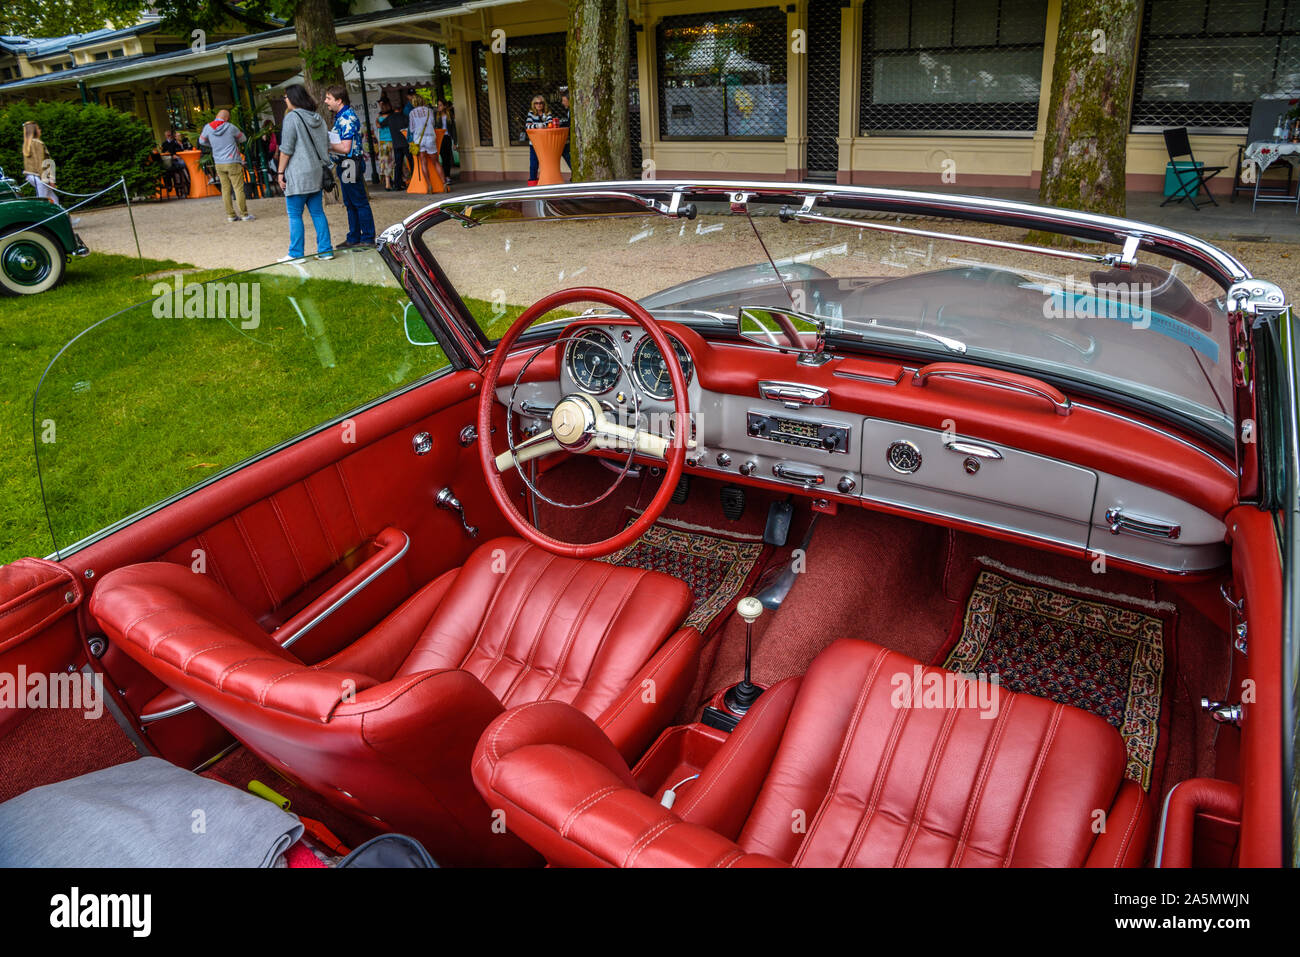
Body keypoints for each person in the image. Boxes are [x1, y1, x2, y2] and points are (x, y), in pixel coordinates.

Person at [275, 84, 334, 261]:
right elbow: (325, 144)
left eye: (285, 97)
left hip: (298, 173)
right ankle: (325, 250)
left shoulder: (292, 118)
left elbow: (286, 149)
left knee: (294, 214)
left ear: (293, 98)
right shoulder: (318, 117)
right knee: (317, 213)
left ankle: (296, 253)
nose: (285, 100)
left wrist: (280, 173)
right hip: (317, 171)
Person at [322, 84, 376, 249]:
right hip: (346, 164)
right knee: (350, 202)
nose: (326, 101)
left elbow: (345, 148)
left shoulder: (346, 118)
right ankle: (354, 237)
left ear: (339, 100)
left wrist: (326, 144)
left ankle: (367, 238)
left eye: (328, 98)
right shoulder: (342, 116)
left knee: (358, 202)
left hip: (349, 163)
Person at [198, 108, 255, 223]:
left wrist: (213, 144)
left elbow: (201, 141)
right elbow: (243, 138)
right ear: (227, 118)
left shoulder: (208, 127)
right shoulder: (230, 127)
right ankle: (244, 214)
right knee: (238, 188)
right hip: (232, 160)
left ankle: (231, 215)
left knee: (225, 189)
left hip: (218, 162)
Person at [406, 93, 445, 193]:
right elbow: (432, 123)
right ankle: (444, 183)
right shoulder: (429, 111)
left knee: (423, 162)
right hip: (430, 137)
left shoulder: (412, 113)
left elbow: (412, 128)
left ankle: (429, 186)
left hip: (419, 139)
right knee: (436, 162)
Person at [21, 121, 61, 205]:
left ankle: (62, 217)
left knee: (53, 198)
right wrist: (49, 180)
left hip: (33, 176)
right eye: (38, 128)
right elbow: (41, 163)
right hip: (39, 177)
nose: (40, 130)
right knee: (42, 201)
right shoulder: (38, 143)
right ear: (34, 131)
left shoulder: (27, 144)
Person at [523, 94, 553, 185]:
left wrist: (541, 126)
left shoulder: (548, 113)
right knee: (533, 164)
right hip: (534, 143)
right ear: (534, 104)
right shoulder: (531, 113)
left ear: (544, 104)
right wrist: (538, 126)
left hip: (545, 143)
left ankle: (548, 181)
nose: (539, 105)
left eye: (541, 103)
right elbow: (528, 126)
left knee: (546, 163)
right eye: (536, 103)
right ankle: (533, 183)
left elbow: (550, 124)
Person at [381, 97, 409, 190]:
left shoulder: (390, 117)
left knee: (398, 164)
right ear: (401, 108)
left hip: (396, 144)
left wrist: (378, 119)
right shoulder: (405, 117)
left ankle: (397, 185)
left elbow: (380, 124)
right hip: (405, 143)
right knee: (411, 162)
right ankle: (412, 180)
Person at [375, 98, 396, 190]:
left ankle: (388, 183)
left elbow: (378, 126)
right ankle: (392, 180)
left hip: (384, 141)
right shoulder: (392, 115)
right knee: (393, 161)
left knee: (385, 162)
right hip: (391, 140)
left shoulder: (379, 117)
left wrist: (376, 120)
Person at [436, 97, 455, 184]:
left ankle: (447, 176)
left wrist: (455, 141)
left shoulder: (449, 115)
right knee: (443, 157)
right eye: (438, 105)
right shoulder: (437, 116)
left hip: (447, 137)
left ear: (444, 106)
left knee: (447, 158)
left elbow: (453, 128)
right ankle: (443, 176)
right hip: (440, 137)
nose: (439, 107)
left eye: (440, 105)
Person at [557, 88, 571, 170]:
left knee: (565, 151)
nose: (562, 103)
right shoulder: (569, 110)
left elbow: (570, 123)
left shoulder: (572, 111)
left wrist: (561, 125)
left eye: (564, 100)